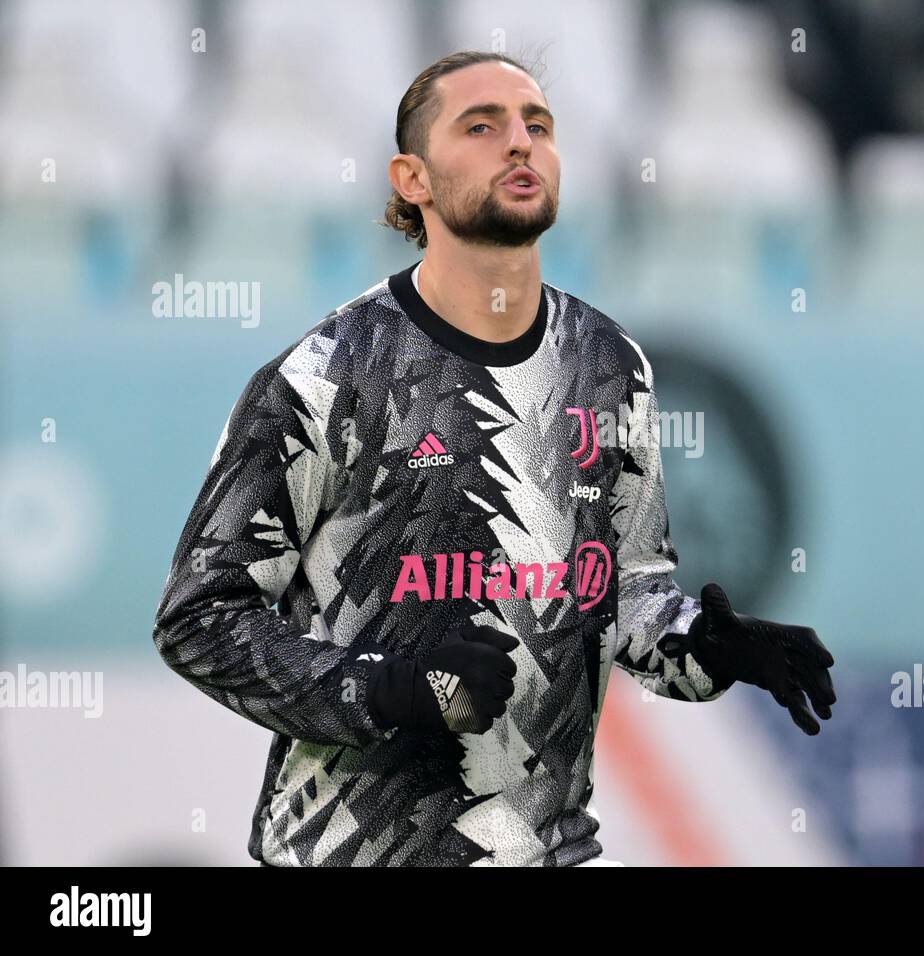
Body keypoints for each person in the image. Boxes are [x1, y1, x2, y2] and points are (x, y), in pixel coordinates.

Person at [152, 50, 835, 867]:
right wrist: (393, 689)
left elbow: (624, 592)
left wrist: (710, 649)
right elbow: (198, 621)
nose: (520, 143)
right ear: (413, 179)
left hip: (550, 851)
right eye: (481, 126)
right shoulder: (327, 376)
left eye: (537, 126)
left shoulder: (610, 365)